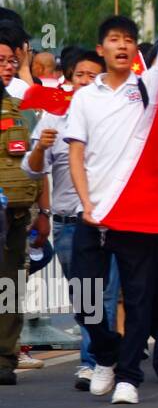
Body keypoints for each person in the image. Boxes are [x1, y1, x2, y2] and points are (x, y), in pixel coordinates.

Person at [65, 10, 158, 403]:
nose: (122, 45)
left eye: (128, 39)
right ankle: (105, 353)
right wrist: (86, 202)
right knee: (86, 297)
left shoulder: (147, 89)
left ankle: (128, 377)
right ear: (101, 48)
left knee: (139, 296)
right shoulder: (84, 97)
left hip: (134, 214)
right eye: (114, 39)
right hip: (93, 216)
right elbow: (76, 152)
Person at [21, 49, 117, 390]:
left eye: (94, 75)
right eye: (81, 75)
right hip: (66, 225)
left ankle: (95, 362)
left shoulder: (114, 119)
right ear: (69, 79)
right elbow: (32, 171)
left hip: (107, 224)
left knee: (103, 295)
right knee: (84, 296)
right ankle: (107, 352)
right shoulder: (53, 119)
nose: (87, 81)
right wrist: (40, 147)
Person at [0, 23, 44, 386]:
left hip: (15, 217)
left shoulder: (22, 108)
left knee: (10, 288)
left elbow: (39, 160)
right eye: (1, 60)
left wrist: (42, 213)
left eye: (12, 60)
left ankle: (4, 357)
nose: (8, 66)